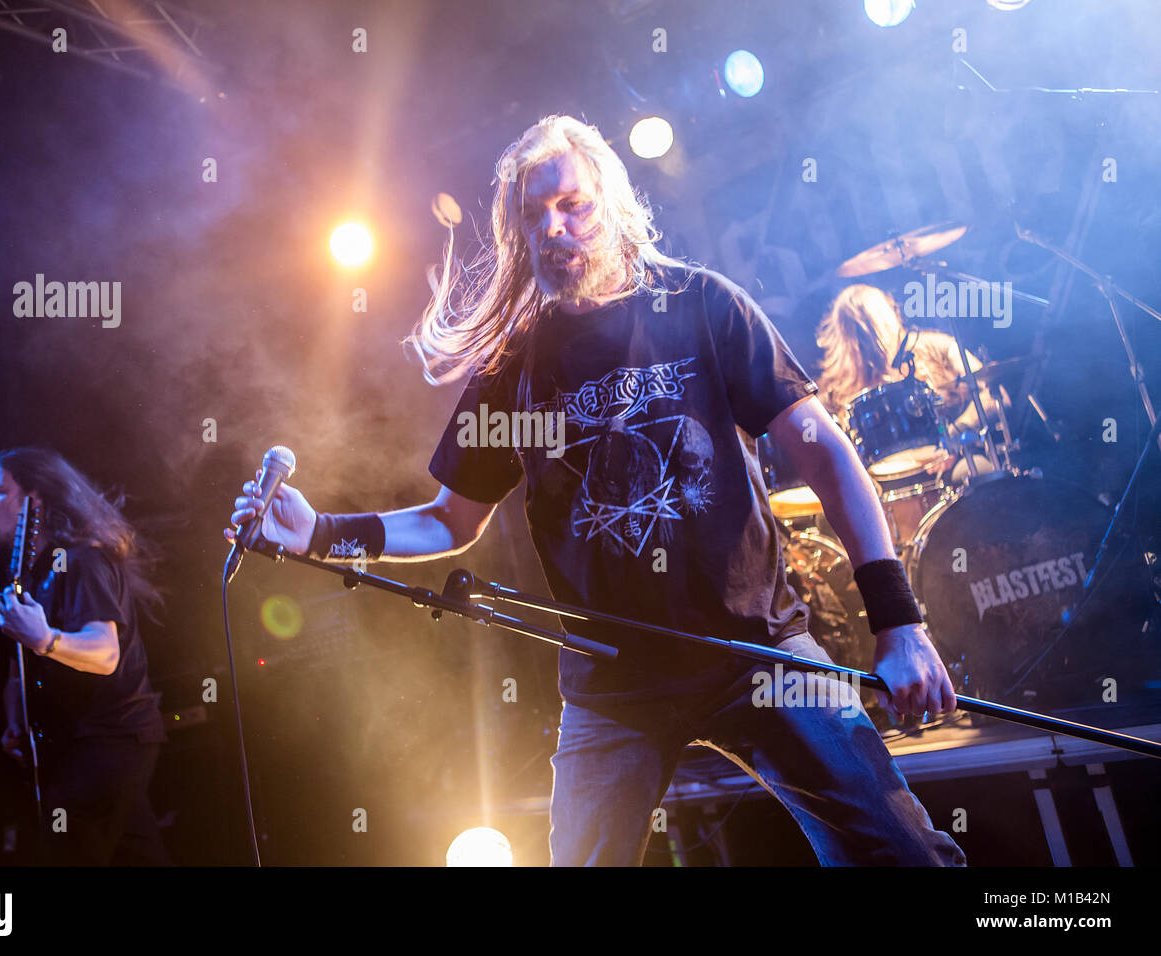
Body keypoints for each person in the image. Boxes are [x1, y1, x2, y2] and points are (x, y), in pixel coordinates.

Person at [227, 115, 966, 866]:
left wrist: (899, 624)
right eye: (533, 216)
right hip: (614, 685)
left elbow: (828, 457)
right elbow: (451, 521)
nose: (554, 228)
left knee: (904, 858)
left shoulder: (703, 306)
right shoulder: (512, 368)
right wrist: (321, 534)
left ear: (611, 201)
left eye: (572, 205)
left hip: (759, 653)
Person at [0, 447, 170, 865]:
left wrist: (46, 640)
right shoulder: (33, 574)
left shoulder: (82, 558)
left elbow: (104, 652)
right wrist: (16, 718)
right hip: (83, 745)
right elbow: (20, 667)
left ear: (34, 499)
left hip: (108, 741)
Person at [815, 283, 1005, 482]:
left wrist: (953, 435)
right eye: (861, 332)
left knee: (978, 472)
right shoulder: (834, 388)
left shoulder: (939, 347)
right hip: (887, 487)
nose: (870, 339)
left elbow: (994, 395)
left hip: (955, 468)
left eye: (874, 326)